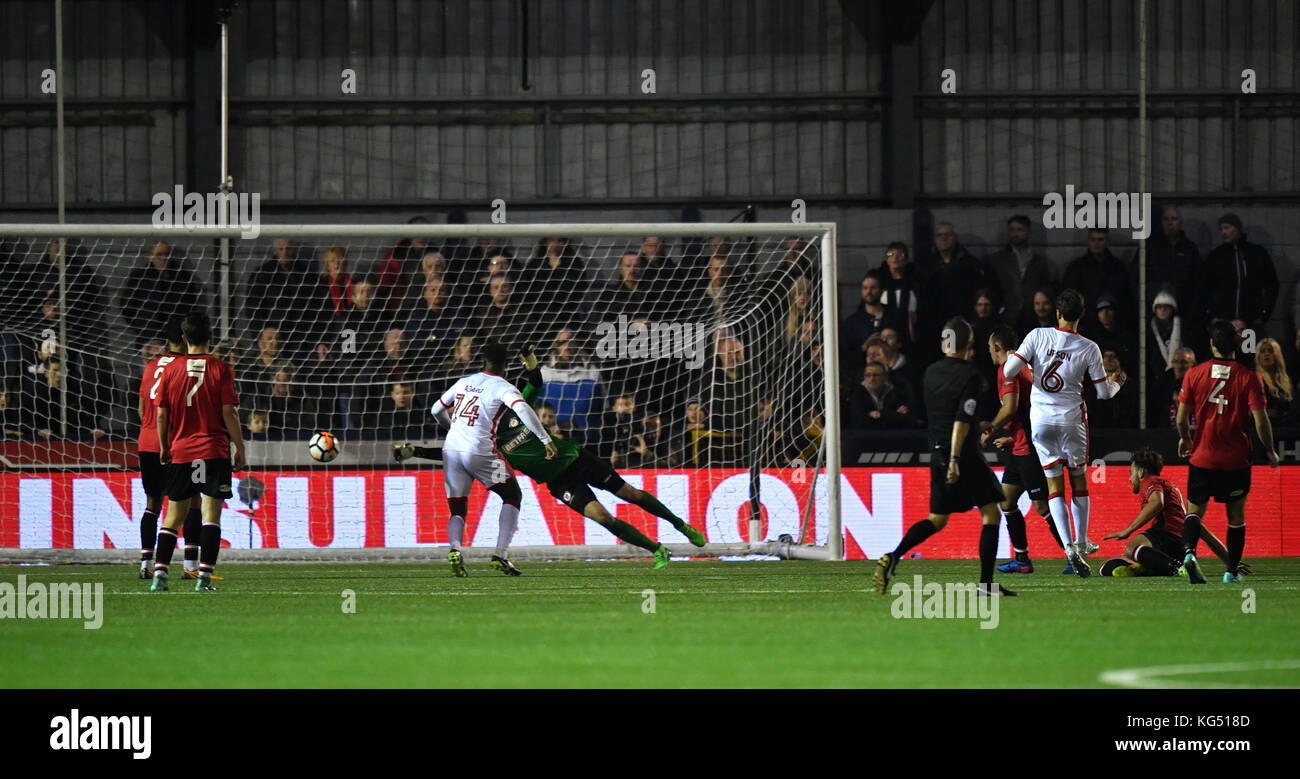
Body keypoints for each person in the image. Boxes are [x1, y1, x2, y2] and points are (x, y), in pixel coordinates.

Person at [395, 346, 706, 568]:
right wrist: (415, 453)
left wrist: (531, 363)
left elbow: (535, 384)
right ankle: (658, 550)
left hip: (576, 458)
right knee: (604, 518)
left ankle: (680, 525)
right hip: (557, 481)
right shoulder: (488, 446)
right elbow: (453, 454)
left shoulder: (512, 409)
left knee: (629, 493)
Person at [873, 317, 1015, 598]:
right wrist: (955, 459)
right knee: (991, 513)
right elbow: (961, 420)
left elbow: (943, 414)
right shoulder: (971, 376)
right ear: (970, 345)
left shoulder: (931, 373)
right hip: (961, 454)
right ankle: (986, 586)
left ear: (944, 343)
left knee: (936, 519)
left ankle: (893, 556)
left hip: (935, 451)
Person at [1002, 289, 1124, 577]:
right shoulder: (1089, 347)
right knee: (1079, 481)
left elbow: (1009, 369)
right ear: (1081, 315)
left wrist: (1028, 366)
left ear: (1057, 312)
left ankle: (1068, 546)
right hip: (1071, 421)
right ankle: (1080, 545)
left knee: (1054, 486)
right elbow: (1104, 393)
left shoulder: (1036, 336)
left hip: (1041, 421)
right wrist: (1119, 382)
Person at [428, 341, 551, 577]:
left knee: (457, 510)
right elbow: (523, 410)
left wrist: (453, 428)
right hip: (480, 453)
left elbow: (436, 410)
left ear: (482, 360)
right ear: (506, 364)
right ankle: (500, 554)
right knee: (512, 495)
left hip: (452, 450)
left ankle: (455, 549)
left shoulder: (464, 382)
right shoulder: (503, 387)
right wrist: (545, 439)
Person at [1176, 320, 1279, 583]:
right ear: (1237, 346)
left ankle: (1188, 554)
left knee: (1194, 513)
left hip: (1202, 457)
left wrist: (1185, 438)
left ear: (1212, 344)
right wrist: (1270, 450)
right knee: (1235, 516)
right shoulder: (1249, 377)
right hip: (1235, 461)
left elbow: (1180, 418)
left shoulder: (1194, 374)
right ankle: (1231, 572)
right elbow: (1261, 420)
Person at [151, 311, 245, 592]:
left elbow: (161, 415)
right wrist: (239, 447)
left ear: (183, 338)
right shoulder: (221, 369)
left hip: (181, 451)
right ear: (211, 337)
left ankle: (159, 575)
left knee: (172, 516)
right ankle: (203, 578)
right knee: (211, 515)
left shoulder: (170, 370)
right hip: (213, 451)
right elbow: (230, 413)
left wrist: (165, 446)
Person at [983, 324, 1063, 575]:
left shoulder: (1008, 368)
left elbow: (1010, 408)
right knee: (1006, 501)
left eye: (989, 348)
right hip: (1020, 445)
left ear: (997, 347)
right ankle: (1022, 559)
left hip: (1029, 449)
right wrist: (1012, 436)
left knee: (1042, 507)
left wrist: (990, 430)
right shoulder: (1027, 365)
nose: (989, 352)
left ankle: (1074, 556)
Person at [1101, 448, 1243, 583]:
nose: (1129, 479)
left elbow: (1157, 503)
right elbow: (1200, 529)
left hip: (1168, 539)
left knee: (1134, 548)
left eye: (1131, 472)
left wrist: (1128, 530)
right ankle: (1146, 568)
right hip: (1181, 550)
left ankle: (1177, 568)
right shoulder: (1172, 491)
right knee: (1105, 567)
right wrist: (1232, 562)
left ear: (1141, 472)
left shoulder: (1150, 481)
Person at [135, 316, 204, 581]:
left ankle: (146, 563)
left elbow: (142, 408)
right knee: (193, 501)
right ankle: (190, 564)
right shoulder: (187, 367)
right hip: (176, 444)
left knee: (153, 503)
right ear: (187, 340)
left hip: (147, 442)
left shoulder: (151, 365)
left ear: (166, 340)